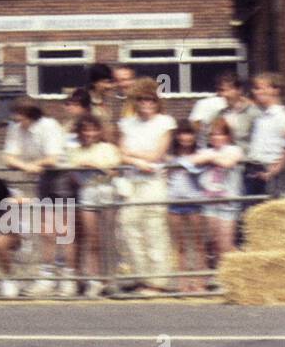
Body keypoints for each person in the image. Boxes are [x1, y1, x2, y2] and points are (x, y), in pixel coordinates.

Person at [3, 99, 68, 297]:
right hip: (41, 177)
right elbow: (8, 157)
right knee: (46, 231)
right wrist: (27, 167)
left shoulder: (49, 126)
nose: (16, 119)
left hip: (61, 176)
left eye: (20, 115)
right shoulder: (15, 128)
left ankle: (66, 277)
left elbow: (53, 158)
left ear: (30, 114)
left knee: (65, 231)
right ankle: (47, 277)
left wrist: (34, 165)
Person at [118, 78, 176, 293]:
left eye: (150, 99)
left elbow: (156, 155)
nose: (146, 103)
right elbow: (121, 153)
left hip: (154, 182)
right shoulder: (127, 123)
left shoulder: (165, 122)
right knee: (127, 226)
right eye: (142, 99)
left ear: (157, 101)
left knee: (154, 229)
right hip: (132, 181)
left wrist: (133, 156)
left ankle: (157, 281)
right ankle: (140, 276)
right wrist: (137, 161)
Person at [65, 114, 121, 297]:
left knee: (108, 240)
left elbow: (114, 172)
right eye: (85, 130)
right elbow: (73, 177)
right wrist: (80, 168)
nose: (89, 133)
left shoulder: (108, 148)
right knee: (92, 240)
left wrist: (95, 165)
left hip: (106, 194)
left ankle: (110, 280)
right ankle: (94, 280)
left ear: (99, 131)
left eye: (93, 129)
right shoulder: (74, 151)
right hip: (87, 195)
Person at [192, 117, 244, 283]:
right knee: (211, 241)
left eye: (220, 135)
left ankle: (232, 277)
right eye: (213, 135)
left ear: (228, 136)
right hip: (209, 201)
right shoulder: (206, 151)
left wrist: (211, 157)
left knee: (225, 243)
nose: (216, 138)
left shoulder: (234, 150)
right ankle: (215, 276)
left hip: (227, 202)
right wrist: (211, 157)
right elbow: (193, 160)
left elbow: (227, 163)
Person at [165, 120, 205, 293]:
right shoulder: (170, 157)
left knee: (197, 242)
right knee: (179, 243)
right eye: (182, 133)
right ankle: (182, 281)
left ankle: (199, 280)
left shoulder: (201, 154)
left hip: (194, 201)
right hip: (175, 202)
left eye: (189, 133)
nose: (185, 137)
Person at [244, 72, 285, 201]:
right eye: (256, 88)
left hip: (269, 169)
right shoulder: (261, 116)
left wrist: (273, 171)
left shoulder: (282, 117)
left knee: (271, 210)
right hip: (255, 167)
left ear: (275, 90)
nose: (257, 92)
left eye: (262, 88)